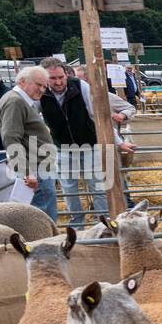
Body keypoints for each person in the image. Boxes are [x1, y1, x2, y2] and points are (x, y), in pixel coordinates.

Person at [39, 58, 116, 228]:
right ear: (45, 78)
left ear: (66, 74)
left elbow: (97, 114)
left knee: (98, 187)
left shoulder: (80, 86)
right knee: (69, 190)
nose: (58, 82)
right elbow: (34, 118)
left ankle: (101, 224)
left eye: (61, 77)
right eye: (53, 79)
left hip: (90, 145)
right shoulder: (41, 92)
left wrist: (116, 140)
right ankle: (77, 225)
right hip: (63, 148)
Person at [0, 65, 58, 221]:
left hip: (37, 166)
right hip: (35, 168)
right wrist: (25, 171)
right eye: (38, 84)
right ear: (22, 81)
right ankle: (45, 243)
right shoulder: (15, 102)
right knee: (42, 215)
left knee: (41, 211)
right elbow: (11, 137)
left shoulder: (19, 100)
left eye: (45, 86)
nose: (42, 89)